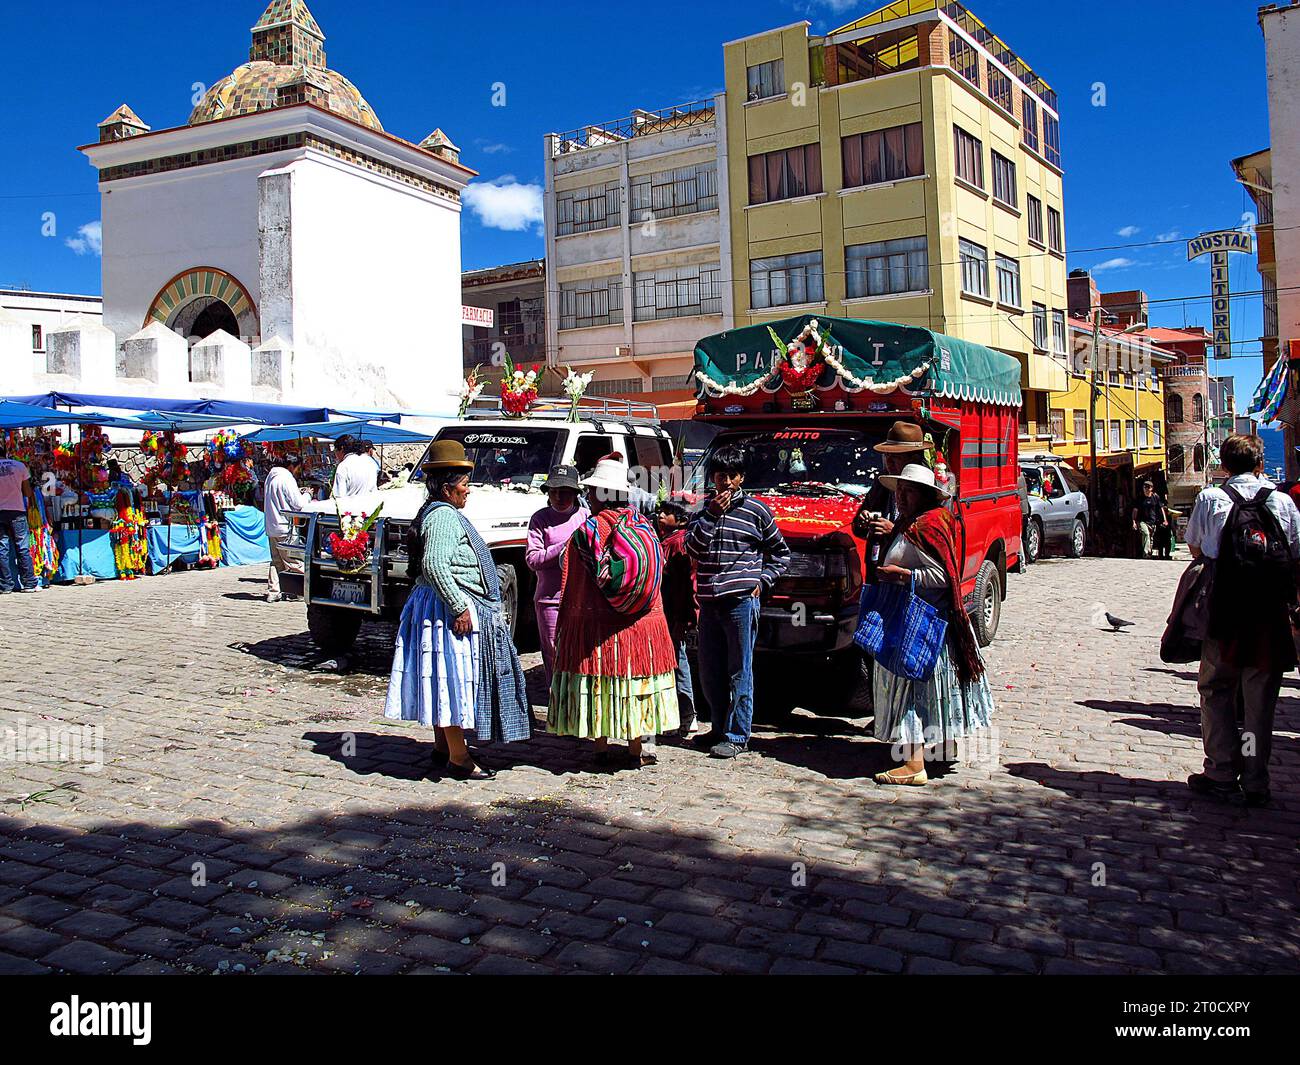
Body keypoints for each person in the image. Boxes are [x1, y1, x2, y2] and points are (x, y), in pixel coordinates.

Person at [385, 440, 531, 780]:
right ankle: (460, 757)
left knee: (439, 677)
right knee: (450, 679)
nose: (469, 491)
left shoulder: (434, 512)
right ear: (449, 487)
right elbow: (436, 565)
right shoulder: (444, 518)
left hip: (435, 604)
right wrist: (458, 606)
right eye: (465, 485)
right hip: (444, 610)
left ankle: (442, 746)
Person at [1184, 434, 1300, 806]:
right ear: (1259, 463)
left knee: (1217, 689)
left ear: (1224, 464)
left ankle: (1220, 770)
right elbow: (1295, 550)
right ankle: (1255, 778)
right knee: (1260, 698)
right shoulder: (1281, 501)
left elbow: (1196, 547)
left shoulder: (1210, 498)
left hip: (1225, 609)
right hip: (1268, 613)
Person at [548, 453, 679, 768]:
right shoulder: (644, 527)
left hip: (599, 627)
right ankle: (637, 750)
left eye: (591, 492)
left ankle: (600, 749)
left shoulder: (587, 532)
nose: (588, 498)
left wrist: (570, 619)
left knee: (602, 683)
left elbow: (575, 579)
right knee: (635, 685)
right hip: (643, 624)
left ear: (598, 494)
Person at [869, 464, 994, 785]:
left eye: (908, 492)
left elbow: (942, 576)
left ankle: (913, 764)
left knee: (911, 690)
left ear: (924, 495)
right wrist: (892, 530)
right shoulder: (914, 523)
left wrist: (905, 576)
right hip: (920, 621)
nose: (901, 497)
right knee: (931, 693)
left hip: (923, 626)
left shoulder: (929, 525)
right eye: (899, 491)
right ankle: (940, 748)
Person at [686, 444, 790, 758]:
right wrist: (711, 517)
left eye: (732, 476)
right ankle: (718, 728)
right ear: (713, 478)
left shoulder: (757, 512)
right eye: (720, 476)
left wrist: (763, 581)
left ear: (741, 477)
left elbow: (781, 554)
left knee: (739, 670)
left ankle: (737, 735)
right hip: (709, 602)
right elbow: (692, 548)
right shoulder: (702, 510)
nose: (726, 483)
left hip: (741, 602)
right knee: (709, 670)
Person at [524, 464, 589, 687]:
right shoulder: (540, 519)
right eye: (554, 492)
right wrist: (564, 546)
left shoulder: (585, 517)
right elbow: (533, 559)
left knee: (579, 655)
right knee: (554, 656)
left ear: (575, 493)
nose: (559, 496)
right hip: (549, 600)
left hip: (580, 600)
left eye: (565, 491)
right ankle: (557, 709)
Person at [853, 422, 934, 581]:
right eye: (887, 456)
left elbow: (932, 538)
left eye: (895, 457)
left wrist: (894, 531)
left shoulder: (929, 489)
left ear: (914, 458)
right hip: (878, 574)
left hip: (910, 582)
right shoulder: (881, 483)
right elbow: (858, 528)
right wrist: (862, 520)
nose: (889, 462)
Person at [657, 496, 699, 740]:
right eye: (661, 511)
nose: (661, 516)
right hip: (671, 613)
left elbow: (681, 586)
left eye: (668, 513)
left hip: (674, 614)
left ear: (682, 520)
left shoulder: (678, 544)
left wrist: (680, 619)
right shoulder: (669, 541)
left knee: (678, 662)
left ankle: (687, 714)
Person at [263, 454, 312, 603]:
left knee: (276, 561)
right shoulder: (286, 478)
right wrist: (308, 495)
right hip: (285, 526)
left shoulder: (270, 477)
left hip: (272, 525)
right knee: (294, 561)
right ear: (291, 466)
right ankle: (302, 590)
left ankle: (274, 591)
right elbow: (298, 504)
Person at [0, 443, 41, 594]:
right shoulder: (19, 466)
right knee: (22, 547)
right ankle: (29, 583)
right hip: (17, 510)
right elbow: (28, 493)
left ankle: (5, 585)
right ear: (6, 453)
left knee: (2, 548)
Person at [1132, 480, 1169, 559]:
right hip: (1142, 521)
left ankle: (1149, 552)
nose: (1145, 489)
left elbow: (1161, 509)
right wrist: (1134, 521)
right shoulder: (1140, 498)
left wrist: (1165, 520)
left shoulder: (1155, 497)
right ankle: (1145, 554)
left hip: (1152, 521)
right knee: (1146, 534)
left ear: (1151, 488)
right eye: (1144, 487)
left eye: (1147, 487)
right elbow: (1135, 511)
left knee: (1150, 539)